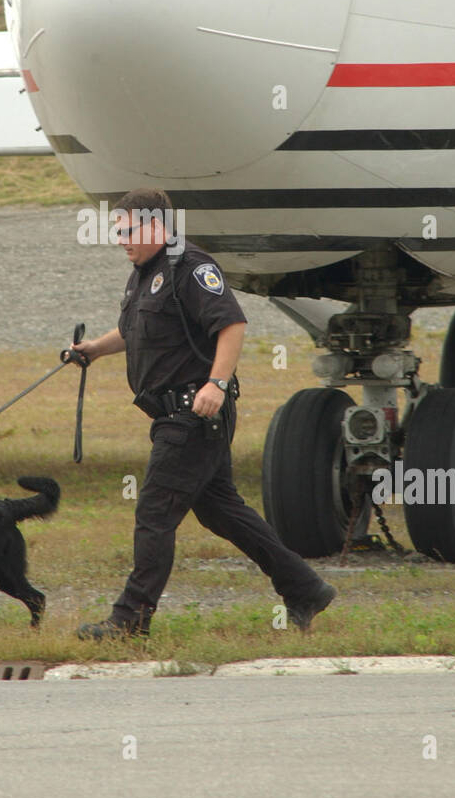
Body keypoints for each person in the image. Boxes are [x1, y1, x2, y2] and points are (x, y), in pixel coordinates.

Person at [71, 187, 336, 640]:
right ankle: (306, 588)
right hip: (174, 415)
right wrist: (94, 349)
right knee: (221, 511)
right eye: (116, 231)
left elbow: (231, 324)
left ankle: (130, 620)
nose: (120, 240)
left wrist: (215, 384)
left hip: (193, 414)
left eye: (127, 231)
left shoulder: (191, 267)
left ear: (156, 226)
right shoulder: (145, 271)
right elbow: (135, 325)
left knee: (154, 513)